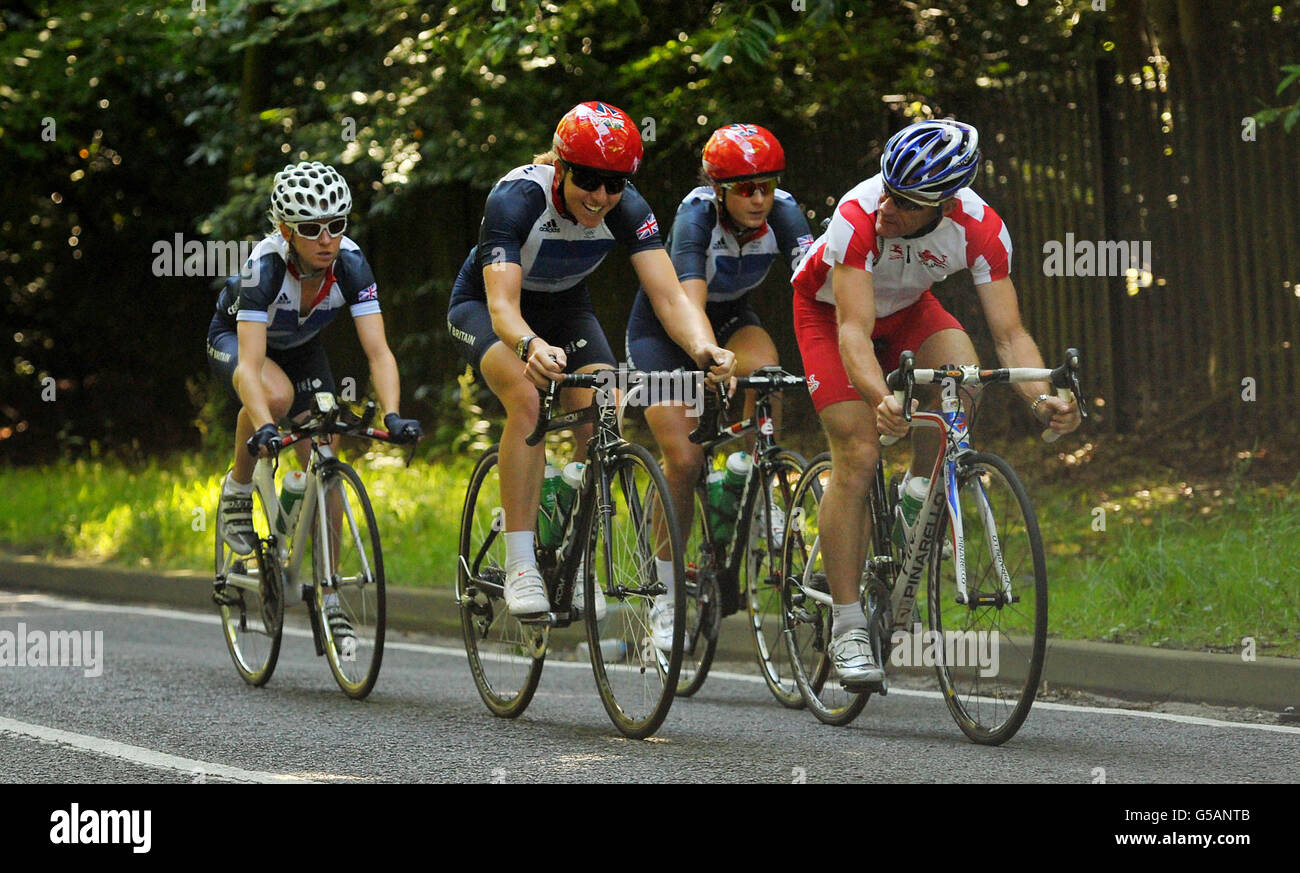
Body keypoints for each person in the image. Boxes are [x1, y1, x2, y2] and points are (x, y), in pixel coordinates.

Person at [790, 119, 1081, 685]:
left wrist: (1044, 399)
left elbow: (1010, 335)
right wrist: (881, 399)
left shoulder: (981, 229)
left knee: (964, 376)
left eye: (905, 203)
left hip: (908, 311)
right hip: (830, 313)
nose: (887, 209)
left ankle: (917, 494)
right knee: (859, 452)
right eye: (888, 190)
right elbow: (853, 330)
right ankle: (849, 627)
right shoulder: (857, 214)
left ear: (945, 205)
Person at [446, 101, 735, 629]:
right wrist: (530, 346)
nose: (601, 197)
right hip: (490, 308)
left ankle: (572, 547)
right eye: (589, 180)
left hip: (565, 307)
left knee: (605, 405)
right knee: (529, 399)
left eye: (615, 183)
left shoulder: (626, 208)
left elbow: (670, 299)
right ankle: (520, 563)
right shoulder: (516, 199)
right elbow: (503, 307)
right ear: (560, 165)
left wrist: (704, 349)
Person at [208, 161, 421, 639]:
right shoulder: (262, 270)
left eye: (336, 225)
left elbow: (379, 351)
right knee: (275, 396)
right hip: (237, 343)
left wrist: (393, 414)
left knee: (326, 458)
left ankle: (329, 594)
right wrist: (264, 427)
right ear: (285, 230)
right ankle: (238, 490)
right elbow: (249, 366)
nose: (326, 239)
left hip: (301, 348)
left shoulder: (350, 264)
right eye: (310, 228)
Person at [625, 123, 813, 641]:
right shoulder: (694, 216)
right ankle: (664, 597)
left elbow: (820, 288)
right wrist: (710, 364)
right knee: (683, 460)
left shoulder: (785, 212)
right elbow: (688, 304)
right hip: (668, 330)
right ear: (718, 189)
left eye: (767, 186)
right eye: (745, 189)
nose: (759, 199)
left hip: (732, 319)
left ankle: (751, 484)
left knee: (769, 374)